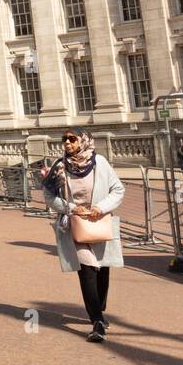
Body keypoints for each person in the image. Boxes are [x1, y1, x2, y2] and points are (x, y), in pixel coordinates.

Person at [42, 127, 125, 343]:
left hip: (99, 222)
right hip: (76, 224)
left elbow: (118, 190)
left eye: (72, 139)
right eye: (64, 139)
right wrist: (69, 207)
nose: (67, 143)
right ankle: (96, 321)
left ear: (84, 140)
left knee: (102, 271)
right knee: (87, 269)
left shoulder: (100, 163)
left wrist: (102, 206)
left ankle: (100, 306)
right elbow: (49, 194)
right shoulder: (60, 166)